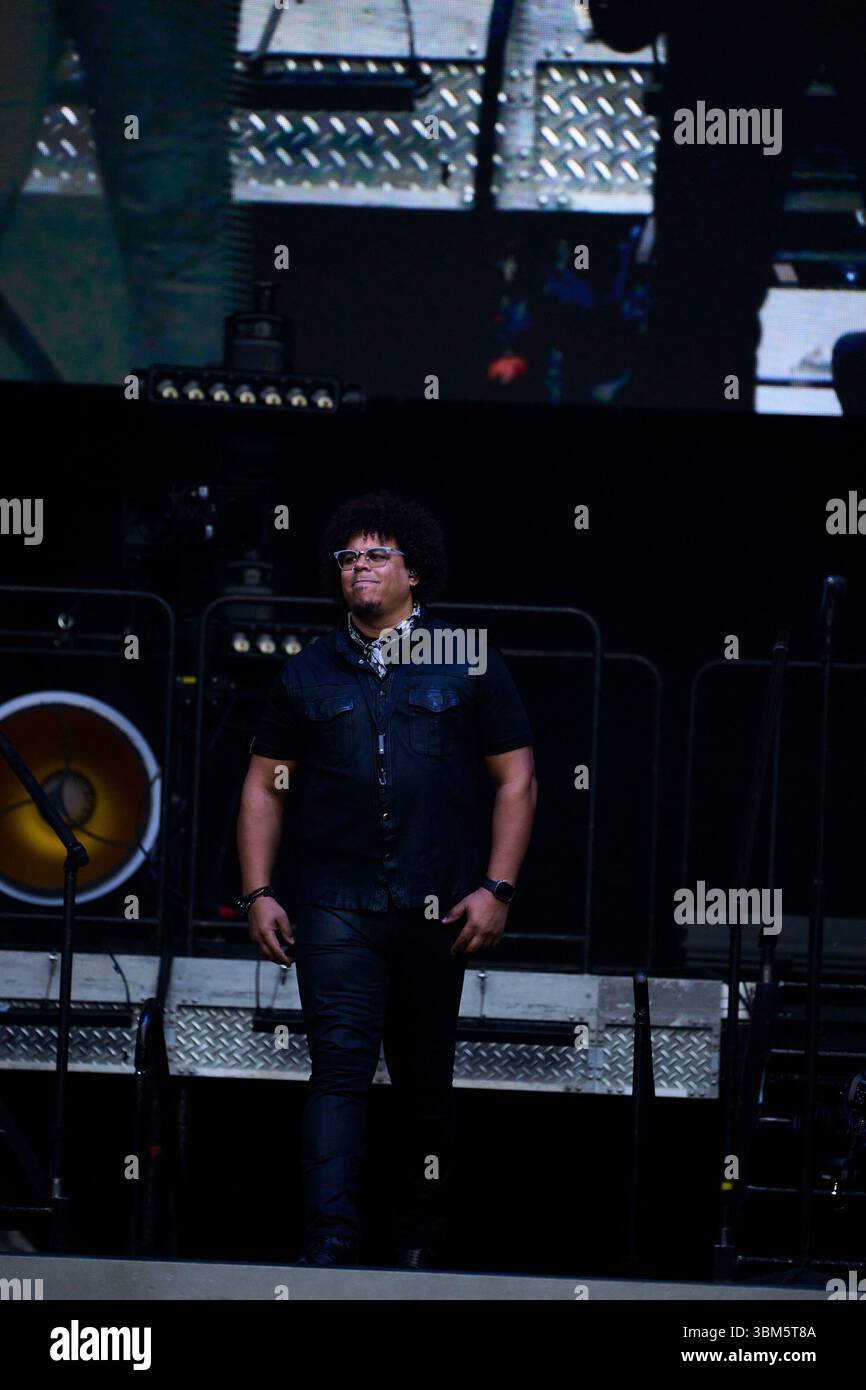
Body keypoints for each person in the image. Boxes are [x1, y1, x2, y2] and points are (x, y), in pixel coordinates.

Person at [236, 491, 537, 1269]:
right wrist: (259, 891)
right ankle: (330, 1239)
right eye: (347, 557)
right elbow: (263, 783)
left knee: (424, 1082)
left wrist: (497, 890)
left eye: (376, 555)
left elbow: (518, 780)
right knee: (336, 1068)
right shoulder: (308, 670)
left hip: (439, 905)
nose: (358, 567)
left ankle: (416, 1240)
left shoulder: (465, 658)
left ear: (413, 571)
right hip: (335, 902)